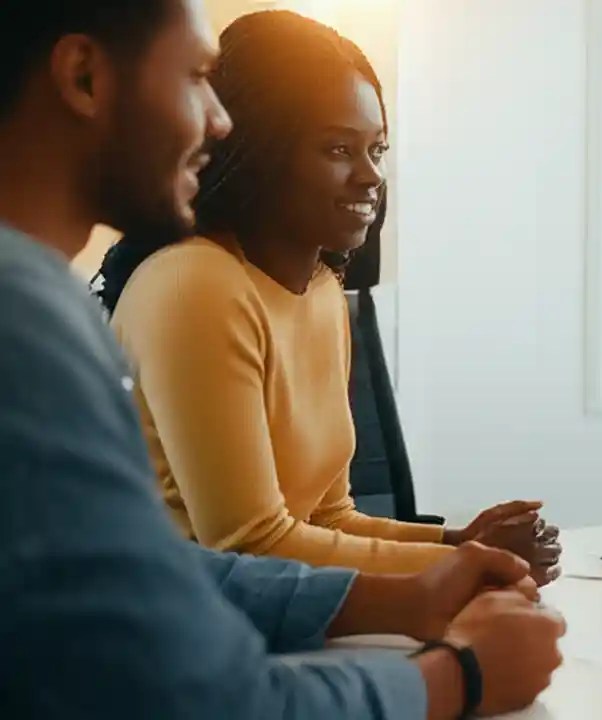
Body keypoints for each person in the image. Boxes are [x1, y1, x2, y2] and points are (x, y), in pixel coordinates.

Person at [0, 1, 563, 717]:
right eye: (196, 77)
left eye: (376, 150)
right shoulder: (35, 317)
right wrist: (461, 677)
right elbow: (212, 685)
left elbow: (169, 571)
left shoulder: (47, 302)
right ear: (83, 76)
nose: (219, 120)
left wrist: (441, 567)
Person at [93, 10, 562, 584]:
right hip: (175, 629)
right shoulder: (195, 284)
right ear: (258, 151)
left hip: (275, 621)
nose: (371, 177)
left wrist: (460, 539)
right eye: (339, 149)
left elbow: (327, 516)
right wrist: (467, 564)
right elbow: (250, 543)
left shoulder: (322, 291)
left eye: (377, 150)